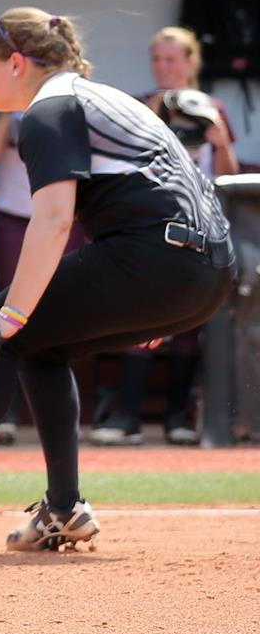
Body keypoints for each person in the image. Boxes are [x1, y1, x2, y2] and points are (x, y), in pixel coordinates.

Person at [0, 8, 234, 551]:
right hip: (208, 267)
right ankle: (64, 508)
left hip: (159, 260)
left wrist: (6, 317)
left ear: (16, 62)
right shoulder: (100, 97)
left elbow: (53, 220)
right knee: (42, 348)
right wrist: (156, 299)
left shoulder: (49, 110)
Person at [89, 25, 239, 445]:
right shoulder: (139, 106)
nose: (163, 67)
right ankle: (127, 416)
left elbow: (228, 176)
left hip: (201, 222)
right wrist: (155, 113)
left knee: (189, 320)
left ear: (191, 63)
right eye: (157, 59)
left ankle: (177, 417)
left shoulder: (212, 107)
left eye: (172, 59)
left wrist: (219, 139)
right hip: (153, 223)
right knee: (142, 314)